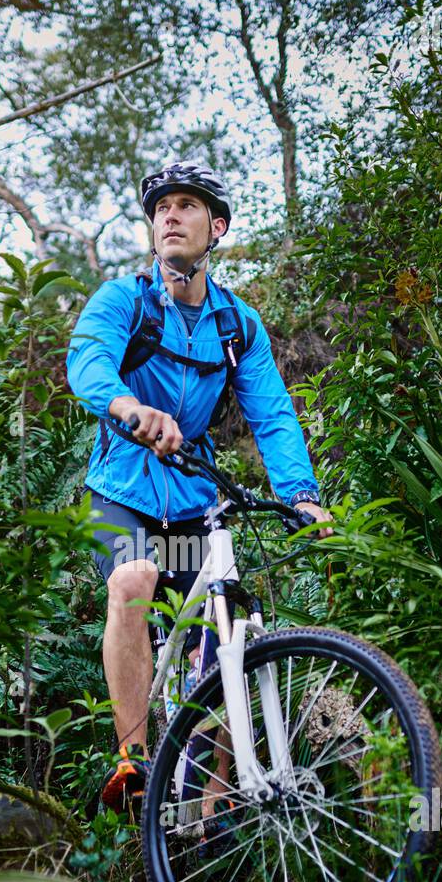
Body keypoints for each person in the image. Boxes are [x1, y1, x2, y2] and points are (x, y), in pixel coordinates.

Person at [66, 159, 333, 817]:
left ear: (215, 227)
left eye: (185, 206)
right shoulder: (123, 300)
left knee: (223, 627)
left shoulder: (237, 325)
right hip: (122, 487)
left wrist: (300, 493)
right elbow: (88, 361)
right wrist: (130, 410)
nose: (169, 216)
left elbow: (271, 413)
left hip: (191, 495)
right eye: (160, 207)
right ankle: (134, 762)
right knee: (132, 583)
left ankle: (211, 794)